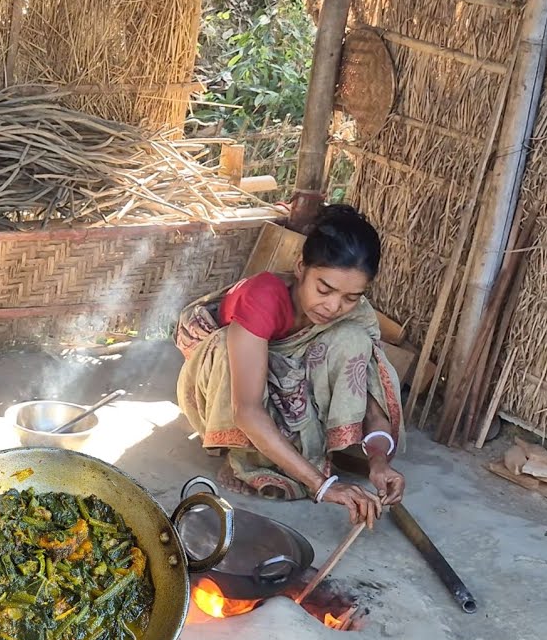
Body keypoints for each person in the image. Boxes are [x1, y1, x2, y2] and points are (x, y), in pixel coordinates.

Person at [174, 204, 405, 528]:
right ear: (300, 267)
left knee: (353, 339)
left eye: (350, 297)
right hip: (226, 369)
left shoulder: (353, 314)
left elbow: (370, 399)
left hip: (286, 369)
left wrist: (379, 461)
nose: (334, 306)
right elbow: (248, 410)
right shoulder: (264, 297)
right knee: (228, 349)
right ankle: (245, 458)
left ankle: (301, 447)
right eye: (324, 289)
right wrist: (322, 485)